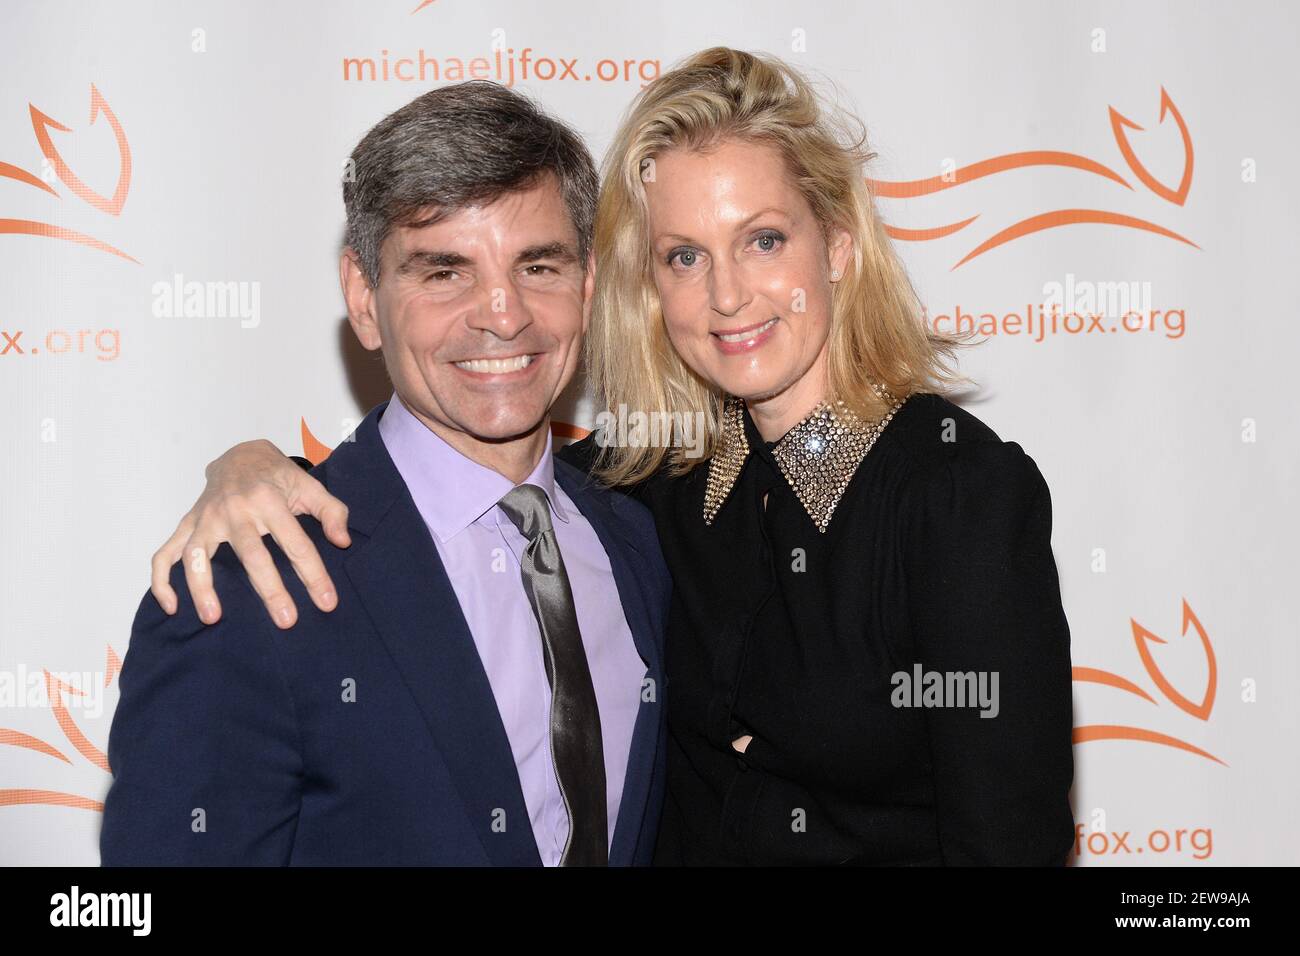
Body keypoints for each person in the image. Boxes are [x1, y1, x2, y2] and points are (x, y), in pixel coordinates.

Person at [145, 48, 1075, 865]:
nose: (728, 295)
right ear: (638, 286)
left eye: (763, 238)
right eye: (683, 256)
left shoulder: (956, 498)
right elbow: (475, 462)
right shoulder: (652, 488)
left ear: (835, 245)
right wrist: (246, 463)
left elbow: (1012, 841)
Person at [99, 82, 671, 866]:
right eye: (445, 273)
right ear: (364, 300)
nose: (503, 314)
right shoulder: (248, 586)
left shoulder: (636, 534)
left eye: (538, 265)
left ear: (589, 282)